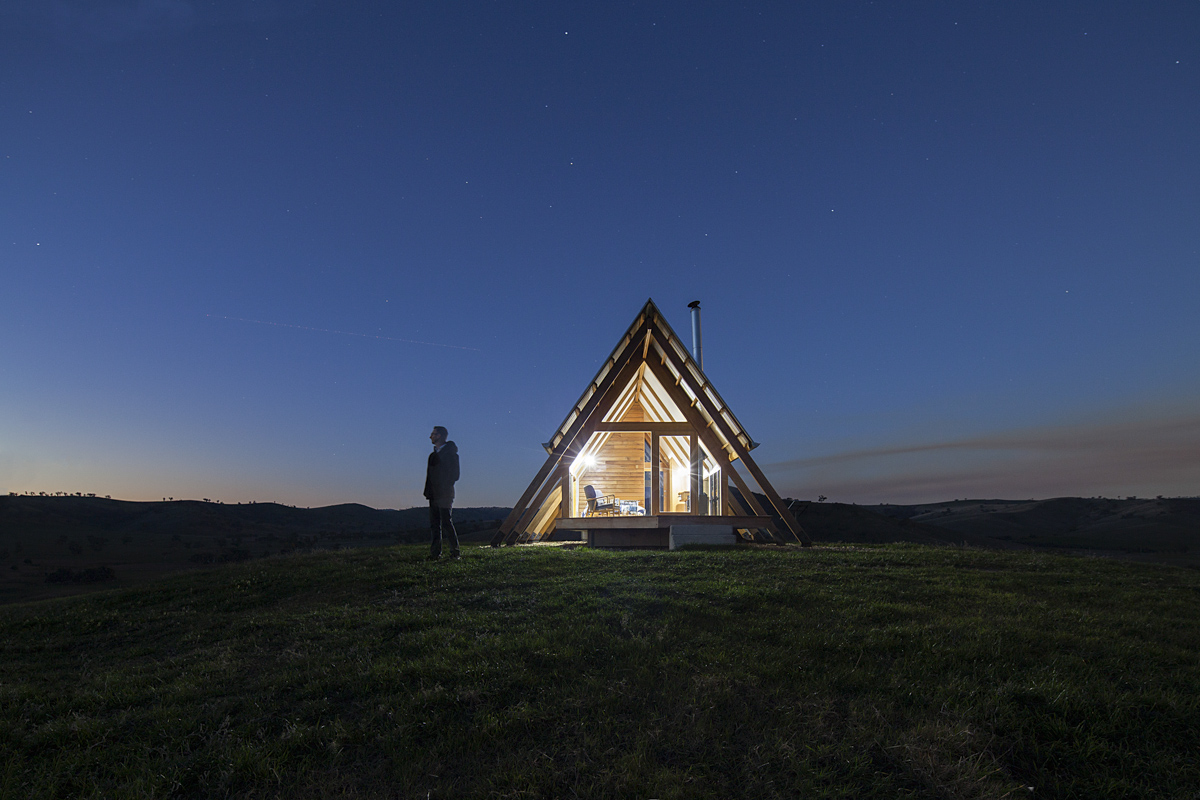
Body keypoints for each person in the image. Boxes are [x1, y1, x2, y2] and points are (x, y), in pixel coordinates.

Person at [424, 426, 460, 560]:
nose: (430, 436)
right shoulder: (432, 456)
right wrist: (428, 491)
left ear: (440, 436)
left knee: (446, 523)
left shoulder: (451, 454)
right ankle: (435, 553)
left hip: (445, 493)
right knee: (434, 524)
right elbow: (430, 476)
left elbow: (455, 475)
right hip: (433, 494)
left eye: (433, 434)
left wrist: (442, 486)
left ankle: (455, 552)